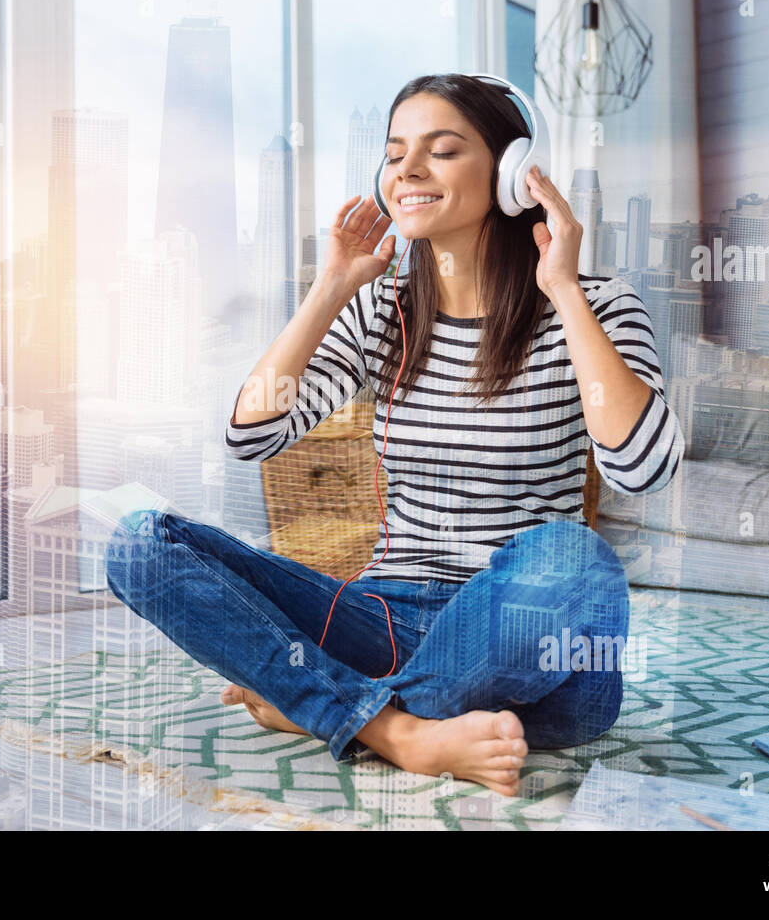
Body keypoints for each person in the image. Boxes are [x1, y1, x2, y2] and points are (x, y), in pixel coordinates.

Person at [106, 73, 683, 796]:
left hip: (528, 631)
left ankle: (320, 704)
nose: (407, 170)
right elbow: (249, 435)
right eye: (394, 154)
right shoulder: (382, 310)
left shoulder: (595, 303)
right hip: (381, 615)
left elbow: (642, 469)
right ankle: (400, 731)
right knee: (141, 541)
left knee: (579, 562)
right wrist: (332, 286)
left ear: (511, 177)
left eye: (441, 151)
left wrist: (562, 289)